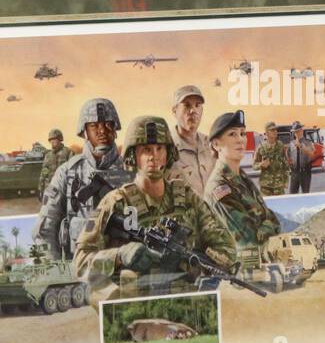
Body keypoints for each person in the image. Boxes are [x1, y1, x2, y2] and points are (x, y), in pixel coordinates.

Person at [73, 115, 236, 296]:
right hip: (134, 307)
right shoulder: (116, 202)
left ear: (169, 153)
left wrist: (197, 264)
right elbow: (80, 263)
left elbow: (226, 249)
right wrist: (119, 256)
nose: (154, 157)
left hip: (185, 300)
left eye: (160, 149)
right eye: (146, 150)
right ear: (133, 155)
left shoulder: (189, 199)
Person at [34, 98, 129, 260]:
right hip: (79, 271)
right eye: (94, 126)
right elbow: (45, 229)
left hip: (124, 272)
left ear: (115, 129)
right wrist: (58, 271)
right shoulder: (67, 172)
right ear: (84, 131)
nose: (102, 131)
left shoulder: (131, 172)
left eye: (108, 124)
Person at [202, 110, 282, 264]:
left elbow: (274, 219)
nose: (241, 140)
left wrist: (265, 227)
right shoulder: (219, 187)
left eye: (243, 133)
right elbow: (248, 239)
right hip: (242, 270)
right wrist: (267, 226)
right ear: (216, 144)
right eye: (232, 134)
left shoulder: (242, 177)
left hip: (260, 264)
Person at [168, 85, 216, 194]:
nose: (192, 111)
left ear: (202, 110)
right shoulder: (165, 147)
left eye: (197, 105)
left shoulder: (210, 145)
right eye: (187, 105)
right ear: (174, 111)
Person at [253, 121, 291, 196]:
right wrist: (261, 164)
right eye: (272, 130)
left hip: (279, 185)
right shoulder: (261, 147)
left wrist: (286, 181)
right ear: (267, 132)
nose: (275, 132)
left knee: (280, 206)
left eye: (276, 130)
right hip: (266, 186)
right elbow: (254, 166)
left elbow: (285, 165)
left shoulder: (280, 145)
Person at [37, 128, 71, 199]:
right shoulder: (48, 155)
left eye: (55, 139)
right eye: (51, 140)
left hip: (64, 187)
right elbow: (44, 172)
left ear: (60, 139)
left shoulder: (68, 152)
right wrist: (40, 188)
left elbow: (73, 172)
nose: (52, 141)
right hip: (51, 187)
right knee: (50, 206)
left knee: (64, 208)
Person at [286, 122, 316, 194]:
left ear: (302, 130)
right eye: (295, 132)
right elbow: (288, 155)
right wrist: (289, 163)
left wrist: (301, 146)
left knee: (305, 195)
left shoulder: (308, 142)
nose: (296, 133)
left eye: (298, 131)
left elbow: (312, 154)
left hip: (305, 173)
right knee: (292, 195)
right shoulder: (291, 143)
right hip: (294, 173)